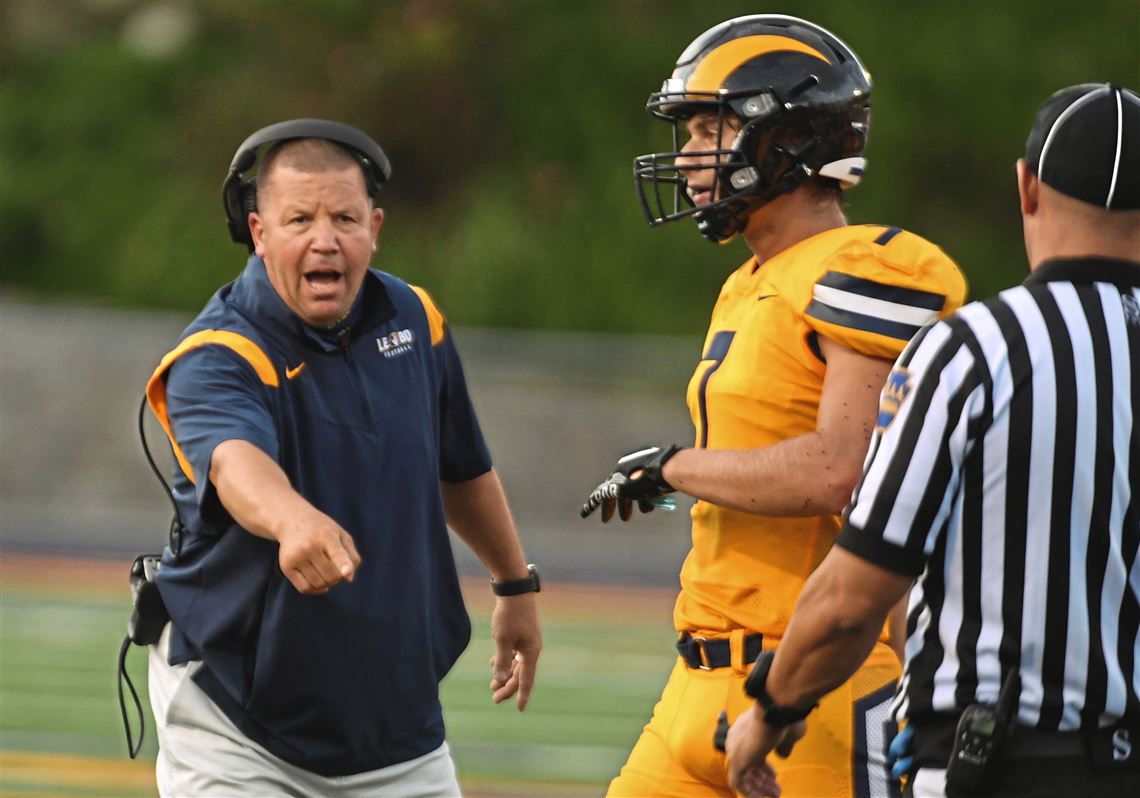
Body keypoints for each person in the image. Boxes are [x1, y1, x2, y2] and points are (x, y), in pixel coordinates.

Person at [580, 14, 967, 798]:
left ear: (785, 138)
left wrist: (674, 466)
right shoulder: (749, 278)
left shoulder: (867, 265)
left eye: (708, 126)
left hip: (805, 693)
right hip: (697, 673)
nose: (689, 156)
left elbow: (840, 470)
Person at [724, 83, 1140, 798]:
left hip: (1001, 759)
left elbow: (856, 594)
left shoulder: (977, 349)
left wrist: (772, 708)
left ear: (1027, 188)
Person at [142, 119, 542, 797]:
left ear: (375, 228)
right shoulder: (217, 353)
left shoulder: (414, 317)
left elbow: (461, 466)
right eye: (299, 218)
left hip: (398, 732)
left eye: (344, 218)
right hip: (239, 730)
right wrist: (294, 520)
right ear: (259, 231)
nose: (324, 239)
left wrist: (514, 585)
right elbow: (236, 464)